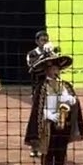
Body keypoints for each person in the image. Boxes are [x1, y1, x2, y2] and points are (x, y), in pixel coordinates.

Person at [24, 53, 83, 165]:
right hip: (48, 125)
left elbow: (75, 102)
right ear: (46, 70)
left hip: (64, 124)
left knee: (61, 152)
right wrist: (49, 115)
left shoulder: (65, 86)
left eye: (56, 68)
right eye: (52, 69)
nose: (55, 71)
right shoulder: (42, 86)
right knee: (48, 152)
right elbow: (38, 108)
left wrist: (69, 99)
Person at [25, 30, 58, 158]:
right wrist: (44, 55)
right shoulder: (32, 54)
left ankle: (50, 145)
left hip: (53, 89)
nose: (45, 42)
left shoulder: (52, 52)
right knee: (37, 118)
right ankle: (34, 147)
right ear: (37, 41)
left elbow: (58, 67)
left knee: (53, 117)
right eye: (42, 40)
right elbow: (33, 67)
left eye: (46, 39)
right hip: (39, 90)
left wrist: (52, 54)